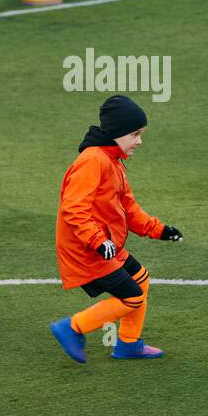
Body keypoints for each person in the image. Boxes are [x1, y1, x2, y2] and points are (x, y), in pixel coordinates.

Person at [50, 94, 183, 363]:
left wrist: (159, 230)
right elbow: (73, 208)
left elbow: (129, 208)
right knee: (132, 297)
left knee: (141, 279)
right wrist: (99, 241)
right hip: (87, 251)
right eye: (135, 134)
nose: (139, 141)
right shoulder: (93, 161)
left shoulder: (114, 161)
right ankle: (72, 327)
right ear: (117, 133)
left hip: (105, 247)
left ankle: (128, 344)